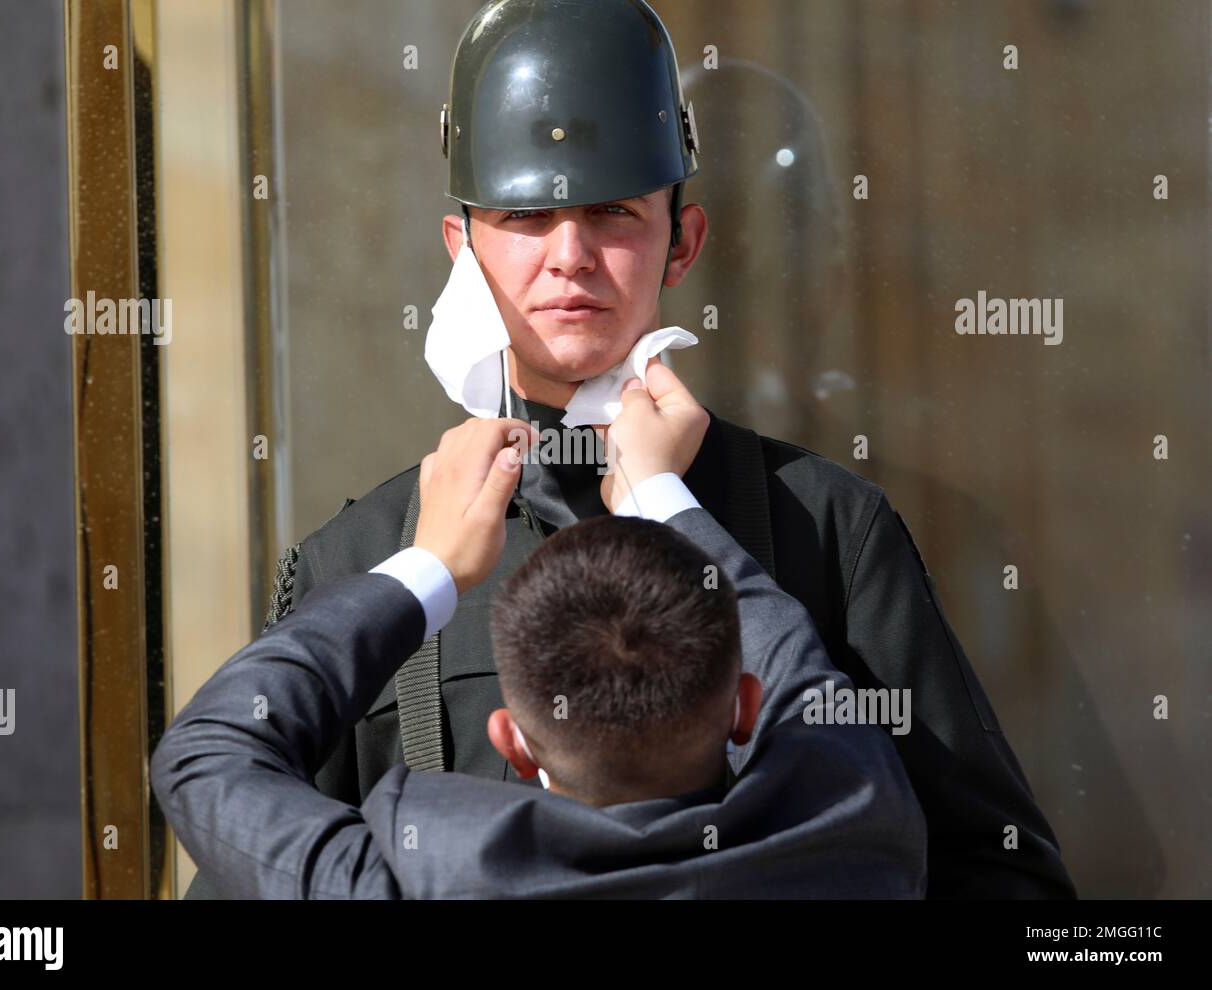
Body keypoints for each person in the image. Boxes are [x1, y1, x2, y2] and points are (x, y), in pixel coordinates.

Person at [186, 0, 1072, 899]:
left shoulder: (827, 530)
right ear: (461, 249)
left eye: (611, 211)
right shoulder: (360, 558)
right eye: (526, 215)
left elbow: (1004, 882)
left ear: (682, 243)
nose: (570, 254)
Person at [152, 365, 926, 898]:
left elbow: (206, 754)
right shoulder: (848, 830)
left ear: (511, 740)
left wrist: (430, 565)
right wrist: (663, 496)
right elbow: (784, 648)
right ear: (746, 706)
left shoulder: (410, 880)